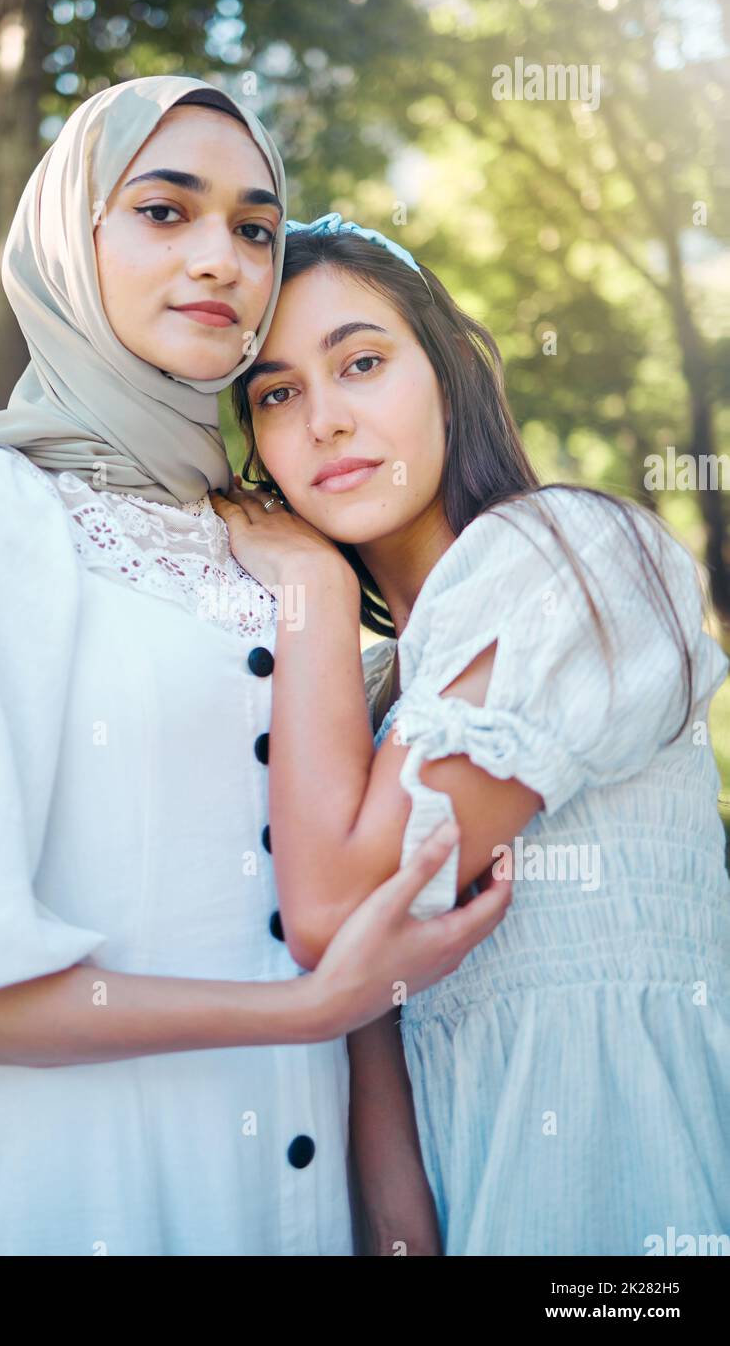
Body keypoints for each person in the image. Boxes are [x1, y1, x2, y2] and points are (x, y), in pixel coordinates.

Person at [0, 85, 511, 1257]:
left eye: (252, 227)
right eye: (163, 211)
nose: (220, 259)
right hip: (80, 1198)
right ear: (69, 243)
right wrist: (305, 1011)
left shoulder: (272, 539)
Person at [213, 212, 730, 1256]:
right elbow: (368, 1047)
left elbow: (334, 912)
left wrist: (310, 581)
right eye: (277, 394)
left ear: (448, 374)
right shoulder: (353, 701)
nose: (323, 420)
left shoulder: (579, 556)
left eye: (361, 361)